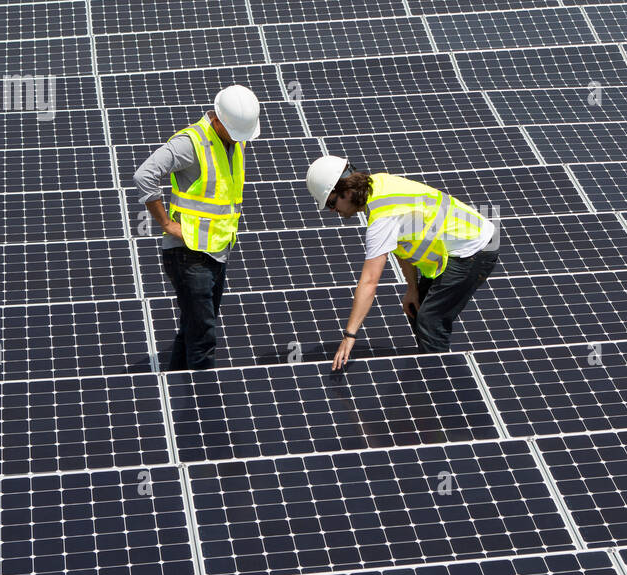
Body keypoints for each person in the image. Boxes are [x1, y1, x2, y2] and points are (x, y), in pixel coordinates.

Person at [305, 155, 499, 370]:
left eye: (332, 203)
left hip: (476, 249)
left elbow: (369, 282)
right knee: (417, 309)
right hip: (466, 239)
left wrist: (349, 336)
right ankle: (431, 364)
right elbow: (403, 239)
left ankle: (439, 381)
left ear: (348, 192)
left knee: (430, 321)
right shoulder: (379, 183)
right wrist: (412, 289)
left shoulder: (382, 218)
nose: (333, 211)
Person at [133, 85, 260, 370]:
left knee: (193, 329)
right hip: (188, 254)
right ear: (217, 120)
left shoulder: (234, 140)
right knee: (203, 337)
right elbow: (144, 175)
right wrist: (165, 223)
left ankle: (179, 385)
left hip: (217, 250)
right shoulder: (191, 142)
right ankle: (203, 408)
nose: (240, 140)